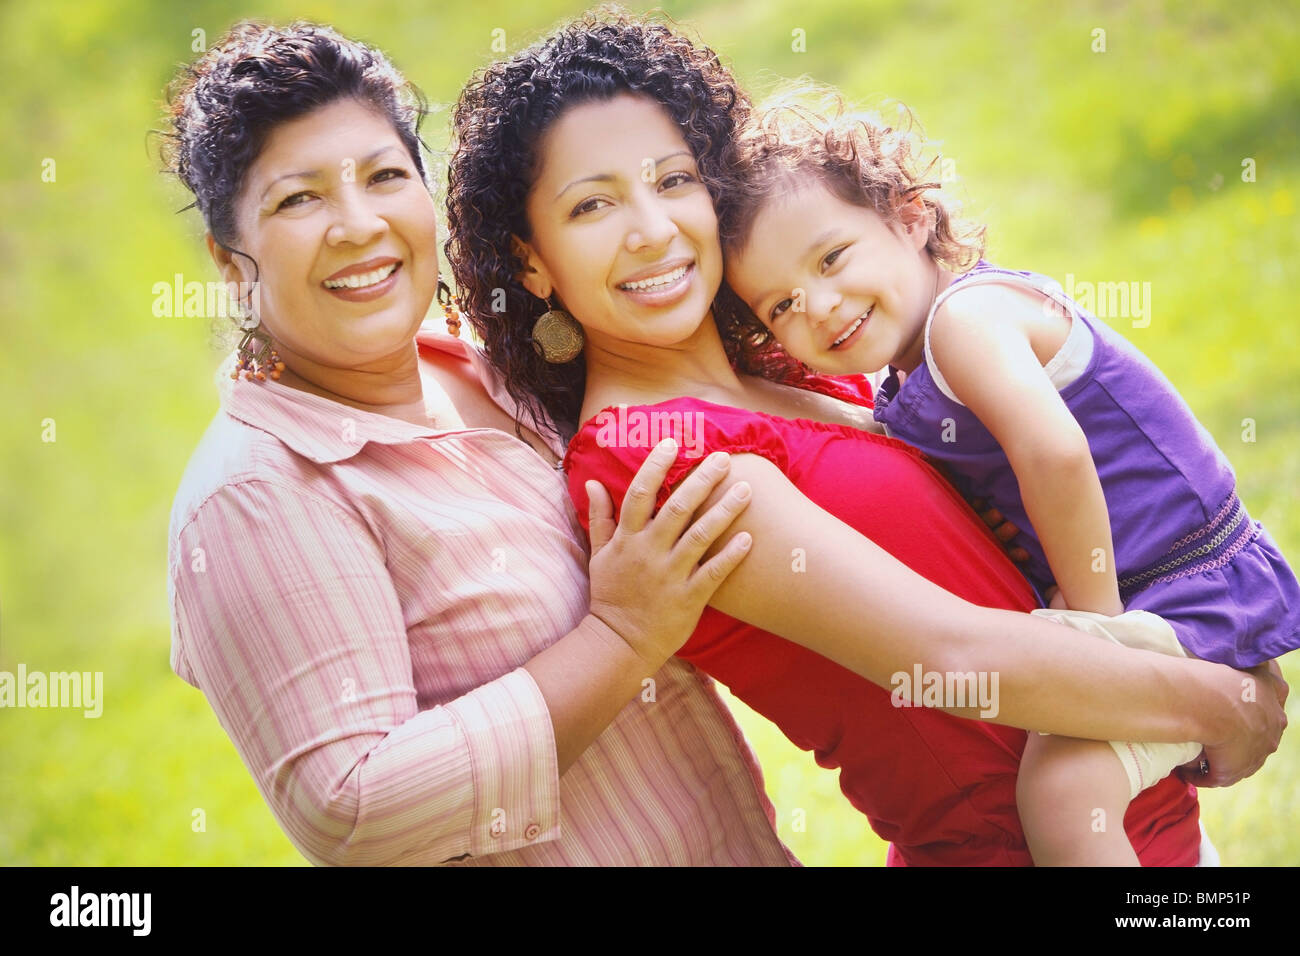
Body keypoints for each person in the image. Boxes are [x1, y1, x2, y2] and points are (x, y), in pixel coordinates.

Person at [443, 9, 1288, 865]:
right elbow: (953, 656)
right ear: (531, 262)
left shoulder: (805, 362)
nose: (653, 230)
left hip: (1150, 822)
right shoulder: (652, 459)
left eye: (672, 181)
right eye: (592, 204)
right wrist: (1215, 701)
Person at [161, 20, 802, 866]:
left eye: (386, 176)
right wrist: (622, 637)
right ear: (230, 259)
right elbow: (354, 815)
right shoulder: (256, 496)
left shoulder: (500, 367)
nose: (358, 224)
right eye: (299, 198)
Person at [717, 91, 1300, 864]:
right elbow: (868, 434)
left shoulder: (969, 321)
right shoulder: (908, 378)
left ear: (911, 215)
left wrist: (1095, 640)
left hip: (1181, 583)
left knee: (1060, 796)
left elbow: (1054, 454)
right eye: (782, 304)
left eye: (831, 259)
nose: (819, 305)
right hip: (1159, 589)